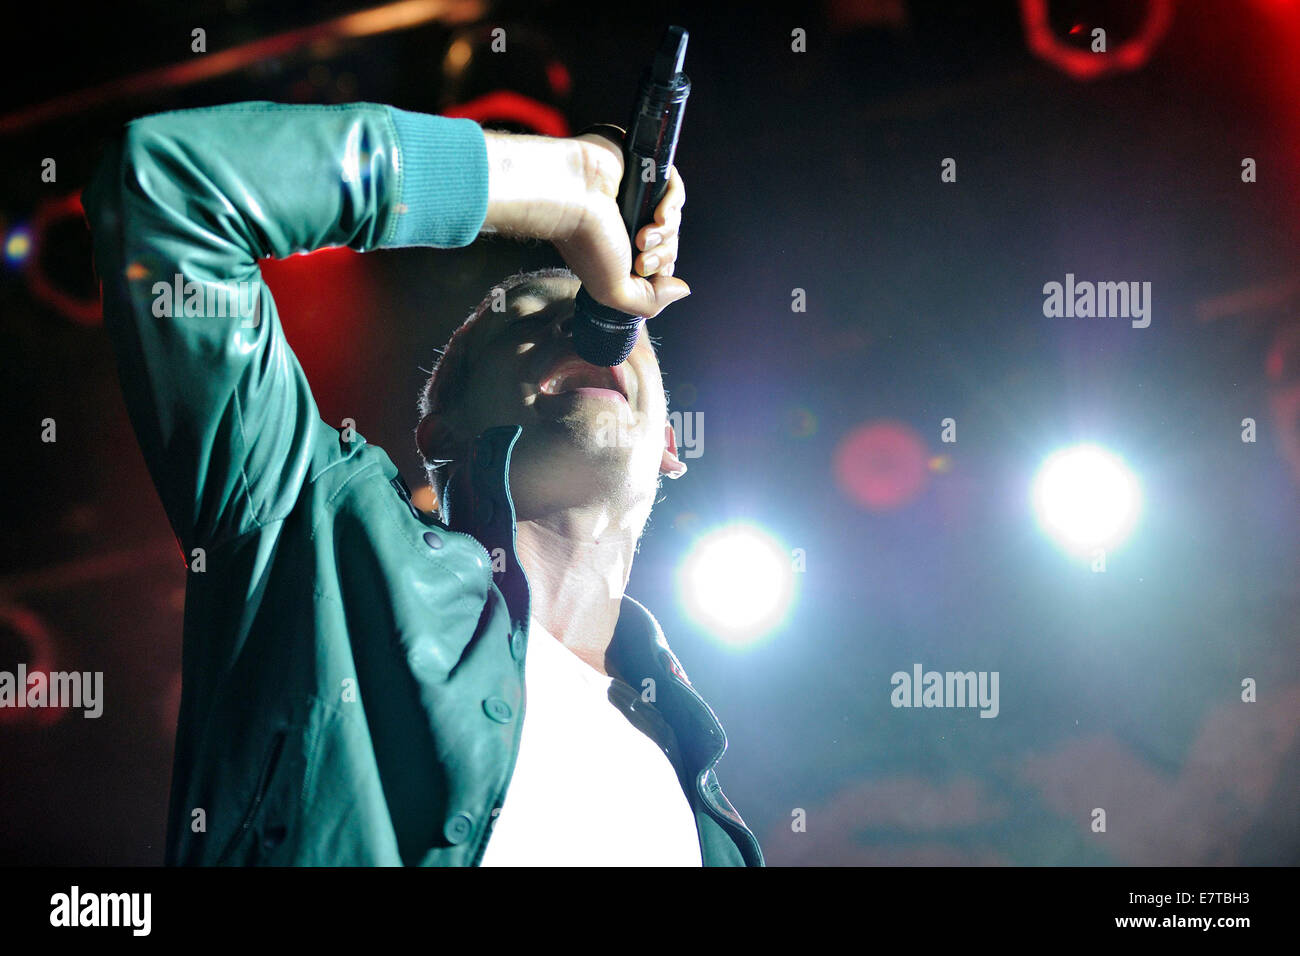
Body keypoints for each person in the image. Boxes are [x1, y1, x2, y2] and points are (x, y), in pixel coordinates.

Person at [83, 100, 764, 866]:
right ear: (441, 437)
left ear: (669, 444)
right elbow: (171, 187)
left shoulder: (703, 816)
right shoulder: (326, 541)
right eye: (523, 320)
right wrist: (563, 182)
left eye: (611, 320)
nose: (580, 325)